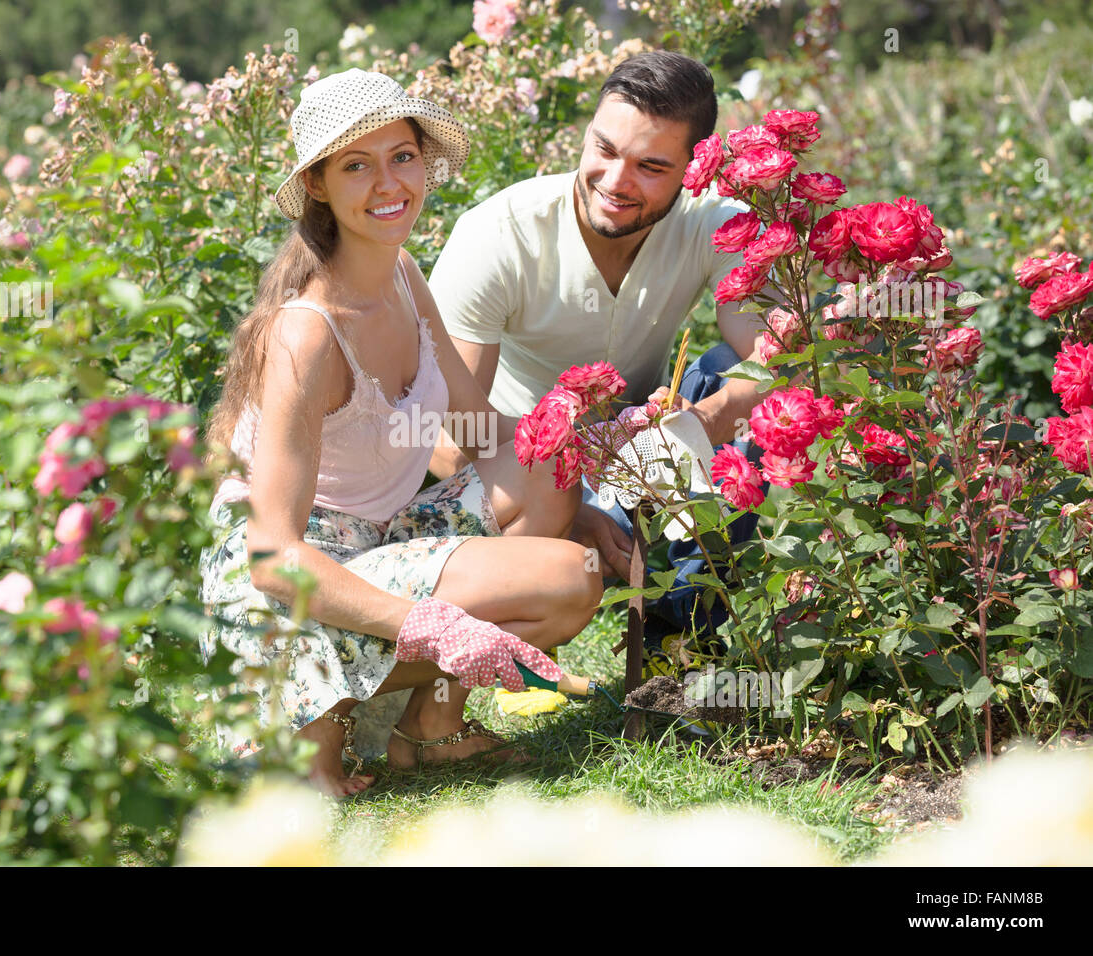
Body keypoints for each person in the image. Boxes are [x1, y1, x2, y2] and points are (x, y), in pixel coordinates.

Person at [199, 69, 602, 797]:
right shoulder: (306, 335)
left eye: (403, 157)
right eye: (357, 165)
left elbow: (478, 428)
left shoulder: (404, 276)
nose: (389, 184)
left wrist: (590, 435)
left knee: (552, 462)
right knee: (567, 582)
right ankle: (306, 709)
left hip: (378, 540)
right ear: (318, 184)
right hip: (289, 590)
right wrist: (436, 627)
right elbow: (270, 558)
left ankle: (428, 724)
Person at [428, 50, 769, 641]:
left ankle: (682, 645)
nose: (615, 182)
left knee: (731, 378)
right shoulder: (499, 234)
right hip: (522, 481)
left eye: (651, 166)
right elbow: (446, 439)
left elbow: (779, 358)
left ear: (692, 171)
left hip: (642, 457)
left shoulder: (713, 222)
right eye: (605, 150)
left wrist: (707, 419)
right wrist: (567, 505)